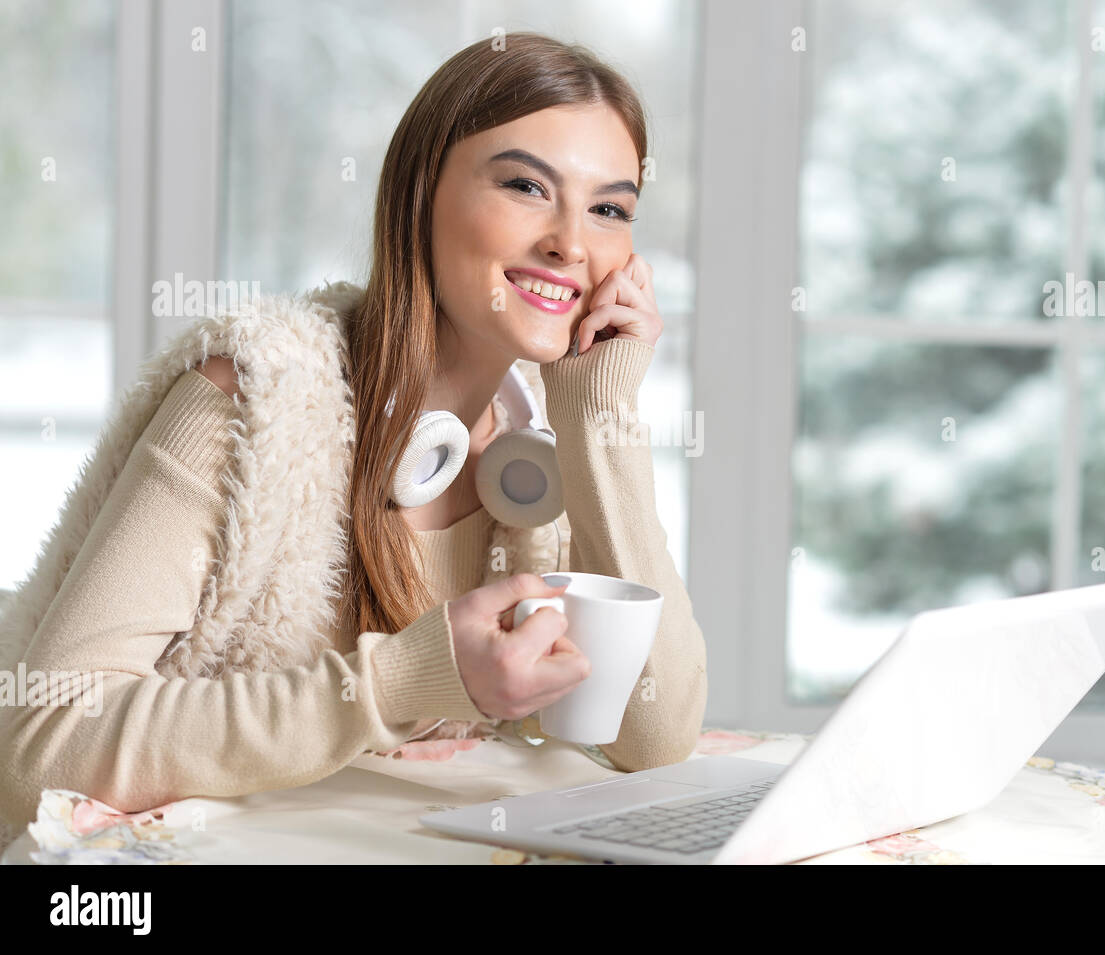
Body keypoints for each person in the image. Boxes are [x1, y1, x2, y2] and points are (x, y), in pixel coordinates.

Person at [0, 32, 707, 845]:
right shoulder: (254, 402)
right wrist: (400, 682)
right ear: (419, 194)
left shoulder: (538, 454)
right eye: (525, 185)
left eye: (609, 209)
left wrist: (600, 415)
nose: (572, 244)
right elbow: (38, 748)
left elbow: (655, 738)